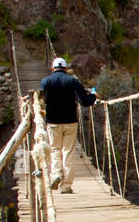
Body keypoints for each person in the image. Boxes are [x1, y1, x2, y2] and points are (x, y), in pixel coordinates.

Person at [38, 56, 98, 193]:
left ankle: (56, 175)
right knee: (68, 152)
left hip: (52, 122)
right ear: (66, 69)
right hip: (70, 122)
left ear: (53, 68)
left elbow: (40, 98)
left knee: (55, 150)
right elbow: (85, 102)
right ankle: (66, 186)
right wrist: (94, 95)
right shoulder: (73, 81)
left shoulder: (46, 81)